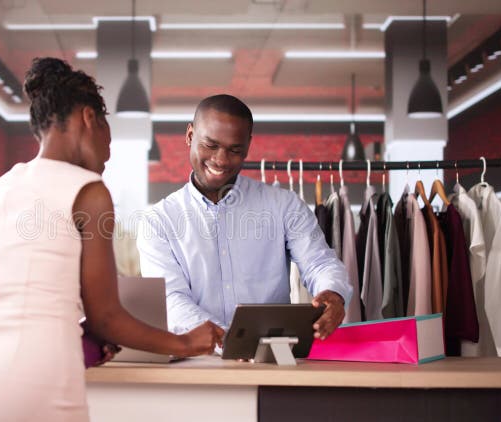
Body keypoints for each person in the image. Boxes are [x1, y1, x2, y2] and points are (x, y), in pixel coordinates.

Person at [0, 58, 223, 422]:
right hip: (39, 389)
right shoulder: (88, 191)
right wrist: (187, 342)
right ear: (90, 119)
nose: (108, 154)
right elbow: (105, 316)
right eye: (108, 134)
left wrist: (55, 340)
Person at [137, 94, 352, 341]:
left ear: (248, 145)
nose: (220, 160)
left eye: (234, 150)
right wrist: (231, 340)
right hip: (196, 363)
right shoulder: (159, 221)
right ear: (189, 136)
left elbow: (319, 263)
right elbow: (171, 299)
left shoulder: (284, 206)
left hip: (271, 359)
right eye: (211, 145)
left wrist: (332, 293)